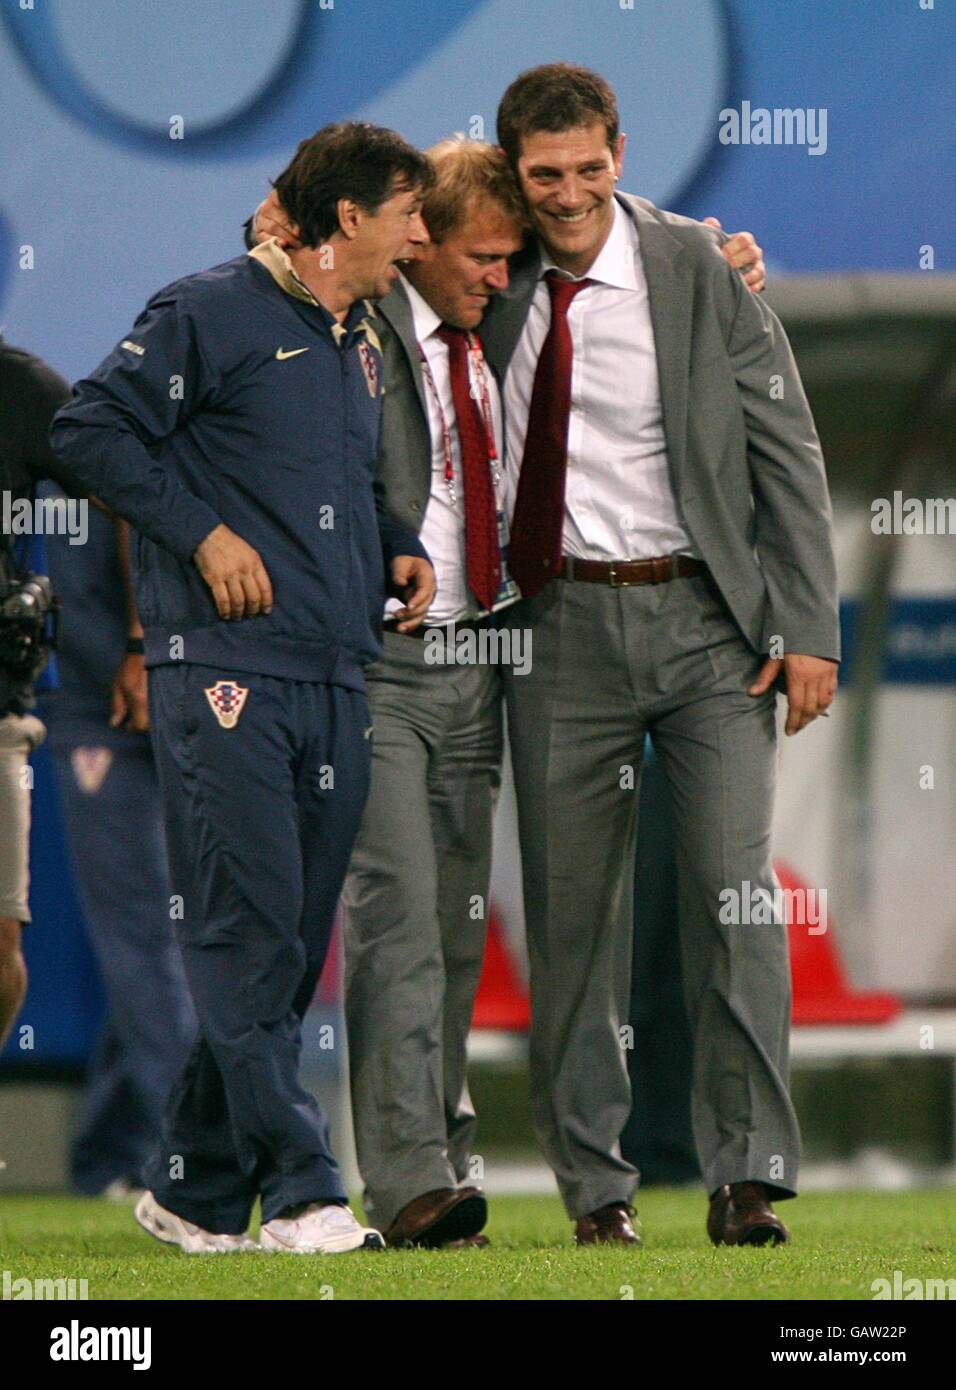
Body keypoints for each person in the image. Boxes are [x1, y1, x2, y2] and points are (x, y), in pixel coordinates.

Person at [251, 136, 767, 1246]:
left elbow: (622, 260)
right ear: (417, 238)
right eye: (484, 255)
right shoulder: (362, 318)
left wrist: (715, 256)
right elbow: (284, 268)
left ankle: (443, 1155)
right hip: (379, 659)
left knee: (450, 925)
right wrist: (275, 230)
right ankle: (406, 1183)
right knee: (392, 915)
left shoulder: (506, 311)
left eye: (510, 256)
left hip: (484, 655)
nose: (502, 273)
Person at [50, 121, 436, 1255]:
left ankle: (194, 1188)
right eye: (407, 211)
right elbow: (88, 427)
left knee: (286, 944)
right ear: (347, 218)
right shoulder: (206, 308)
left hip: (333, 667)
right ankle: (307, 1189)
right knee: (240, 929)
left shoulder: (357, 336)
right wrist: (200, 531)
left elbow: (333, 477)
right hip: (223, 671)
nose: (420, 232)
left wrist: (394, 539)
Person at [479, 64, 839, 1247]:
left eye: (589, 168)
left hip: (709, 630)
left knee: (734, 901)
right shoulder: (483, 268)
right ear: (514, 173)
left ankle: (746, 1177)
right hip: (557, 629)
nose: (570, 193)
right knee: (574, 923)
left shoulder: (695, 265)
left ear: (620, 153)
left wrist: (808, 630)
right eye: (545, 176)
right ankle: (596, 1192)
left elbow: (783, 449)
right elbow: (363, 240)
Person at [44, 508, 197, 1199]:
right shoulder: (76, 411)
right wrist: (134, 648)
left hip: (189, 686)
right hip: (104, 701)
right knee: (147, 939)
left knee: (170, 940)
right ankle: (194, 1159)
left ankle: (111, 1153)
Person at [0, 337, 72, 1052]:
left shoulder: (18, 385)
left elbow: (131, 482)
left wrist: (145, 643)